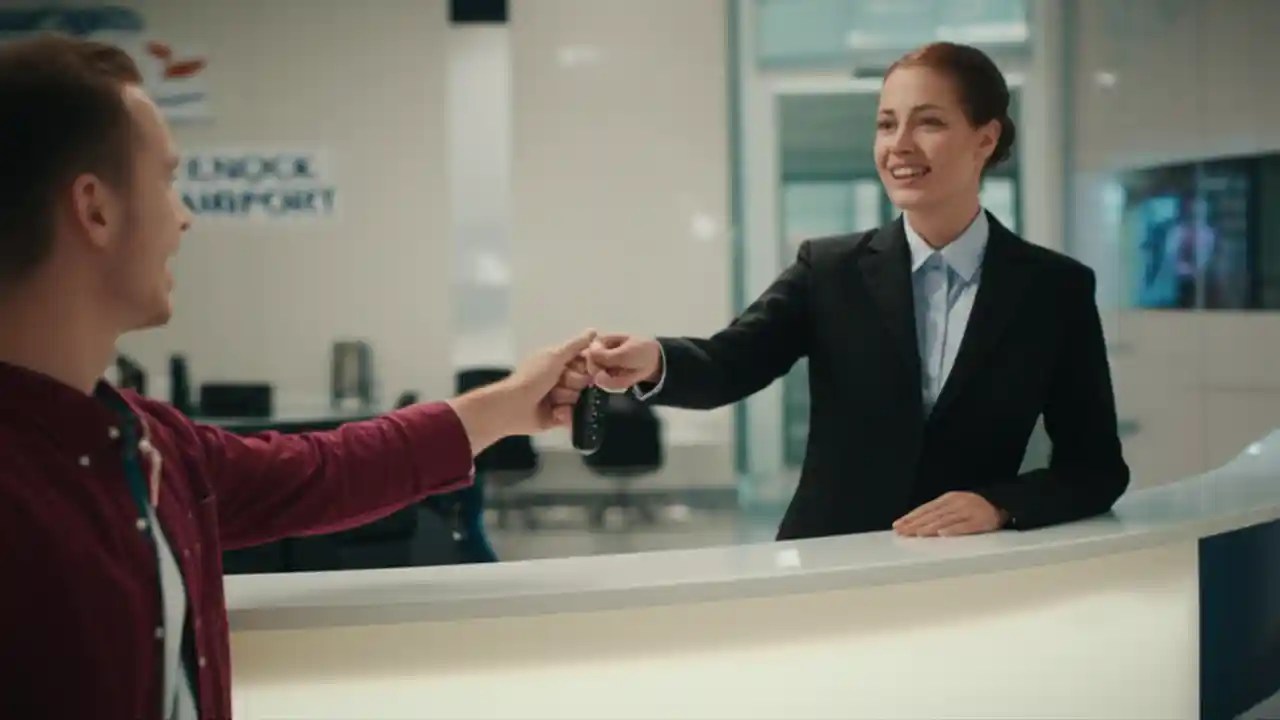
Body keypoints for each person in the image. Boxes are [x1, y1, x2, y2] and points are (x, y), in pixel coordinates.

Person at [0, 35, 594, 720]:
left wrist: (509, 407)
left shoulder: (149, 445)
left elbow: (323, 472)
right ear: (95, 209)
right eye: (166, 180)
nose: (184, 217)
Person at [587, 41, 1130, 542]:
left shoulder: (1053, 290)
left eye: (930, 123)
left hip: (967, 572)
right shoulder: (829, 269)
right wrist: (653, 360)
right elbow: (729, 362)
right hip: (829, 562)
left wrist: (998, 504)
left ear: (985, 139)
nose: (899, 146)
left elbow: (1096, 468)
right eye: (886, 124)